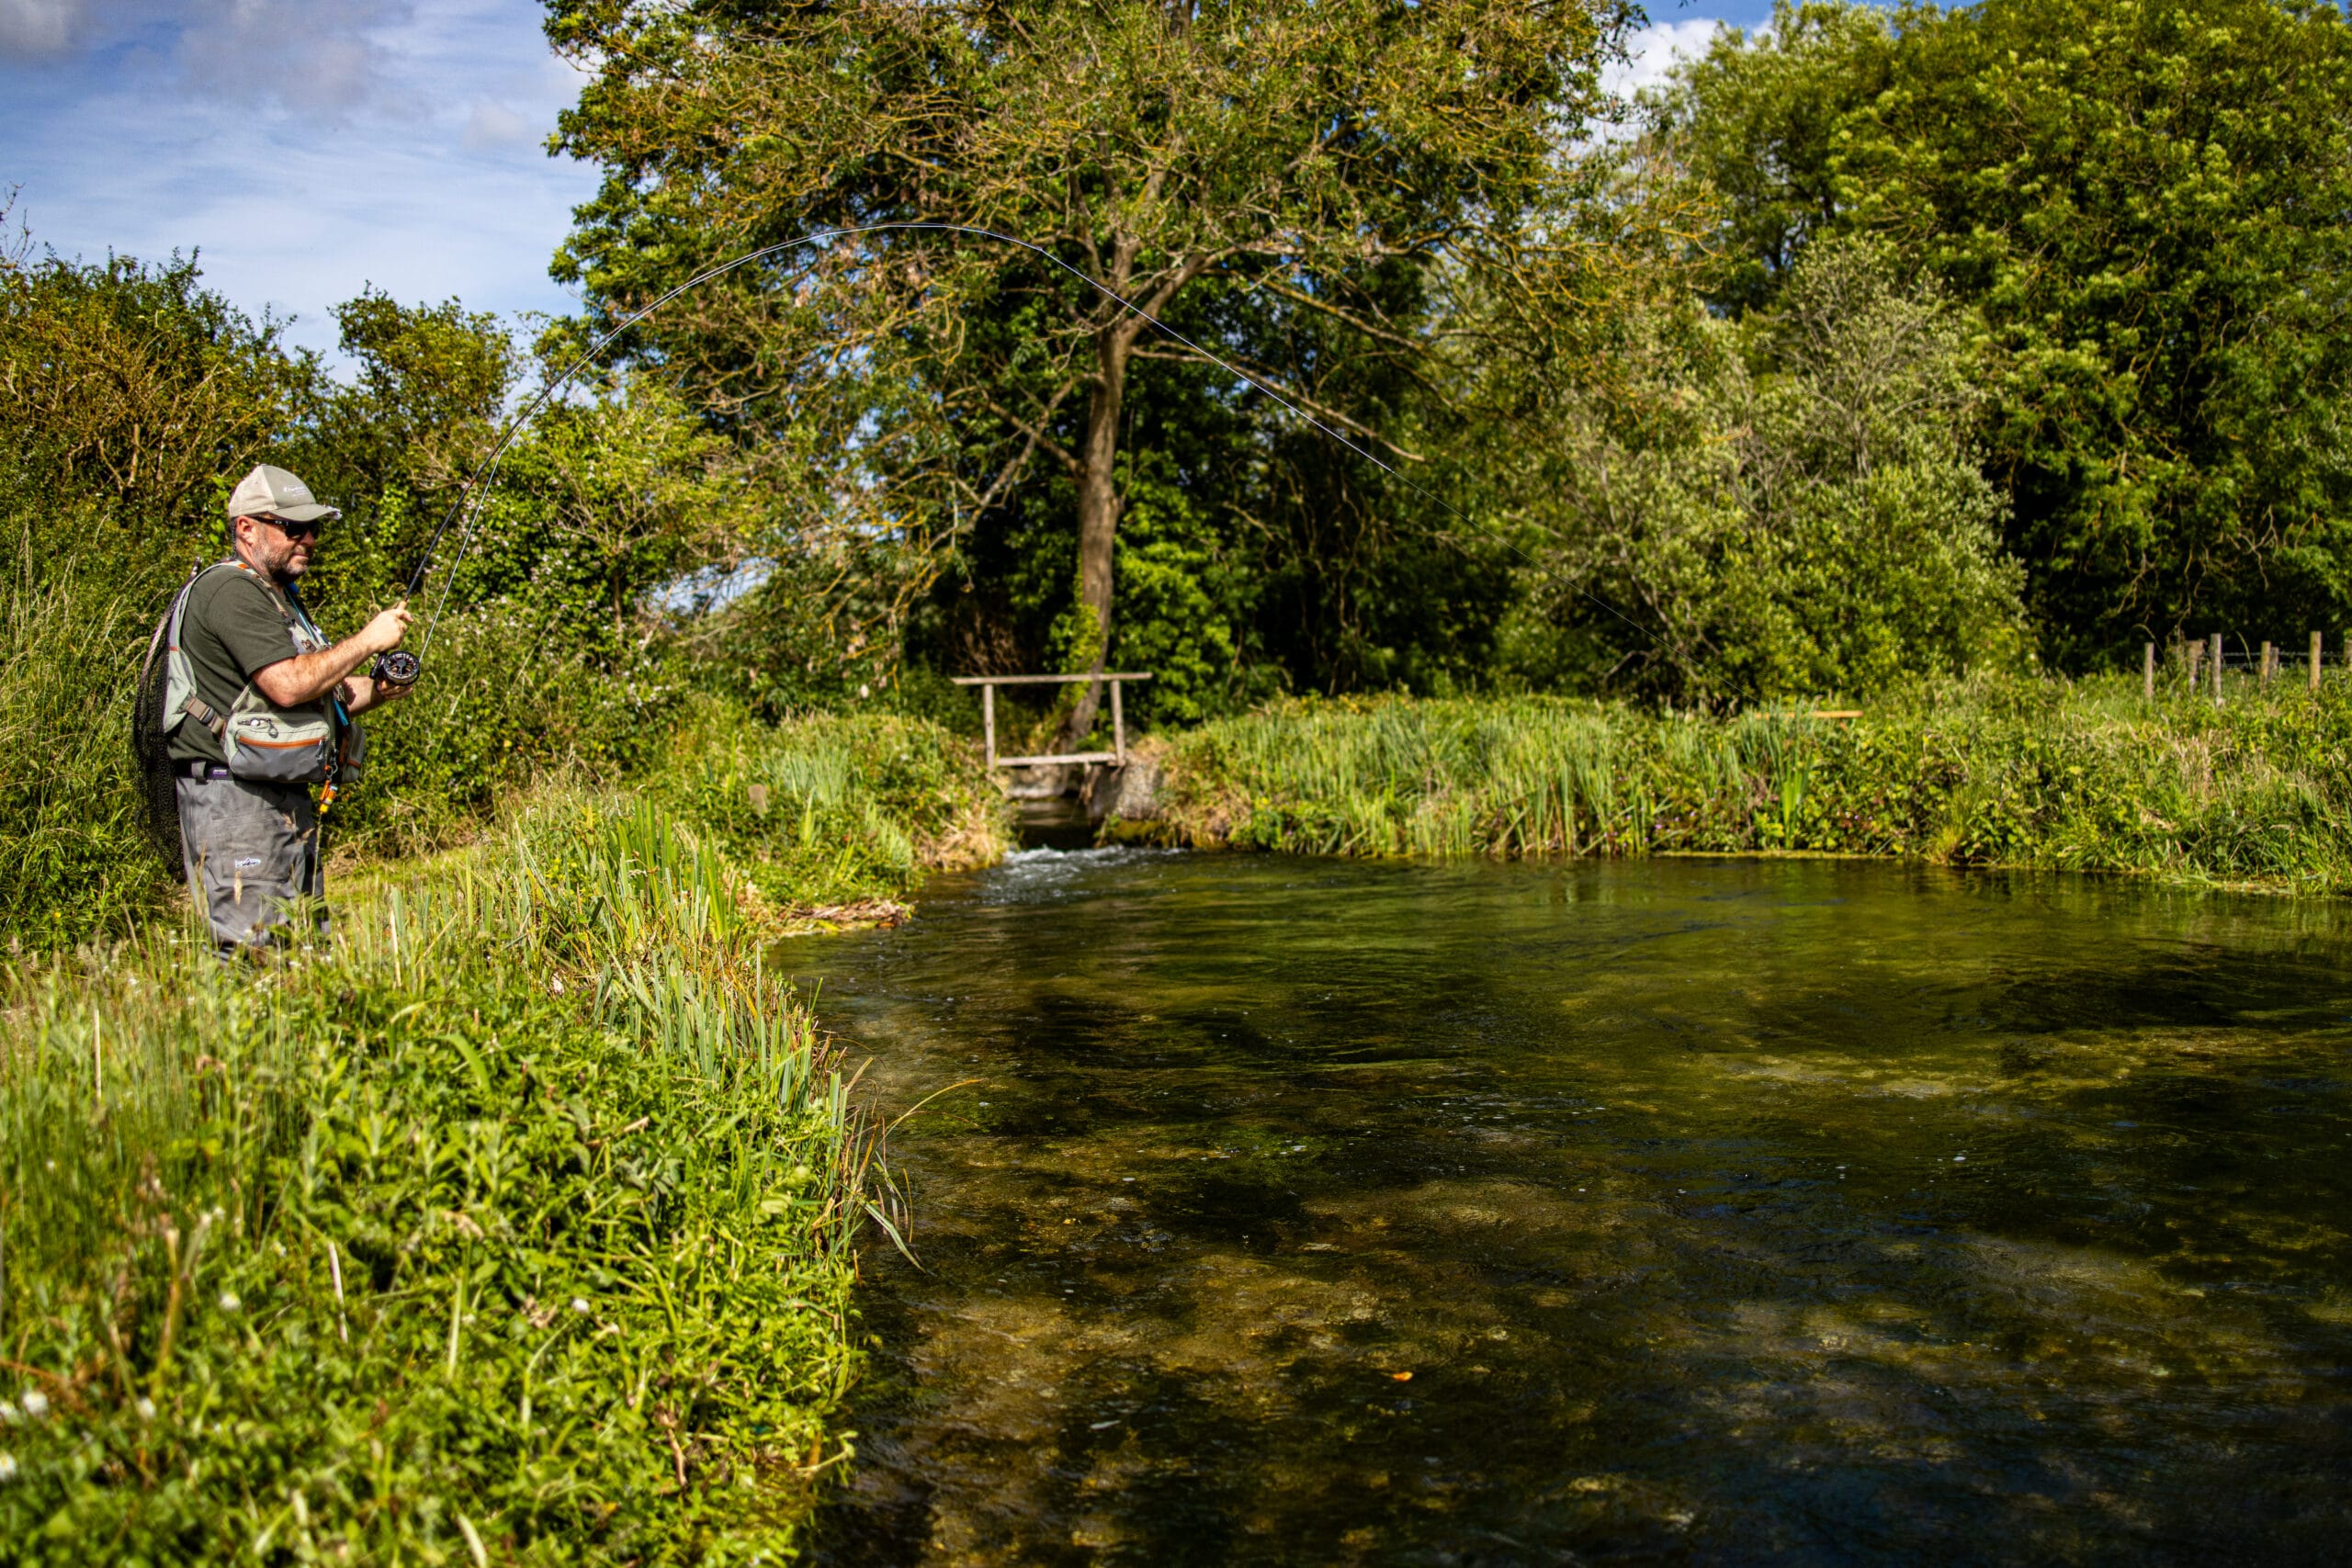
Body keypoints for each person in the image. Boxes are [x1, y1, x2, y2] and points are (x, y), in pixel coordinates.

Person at [168, 463, 413, 951]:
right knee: (251, 955)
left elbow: (328, 692)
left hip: (278, 800)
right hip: (234, 802)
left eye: (313, 528)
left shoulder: (279, 598)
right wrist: (368, 640)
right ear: (246, 527)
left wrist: (380, 689)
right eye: (292, 527)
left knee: (300, 952)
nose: (307, 539)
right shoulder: (229, 590)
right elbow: (286, 685)